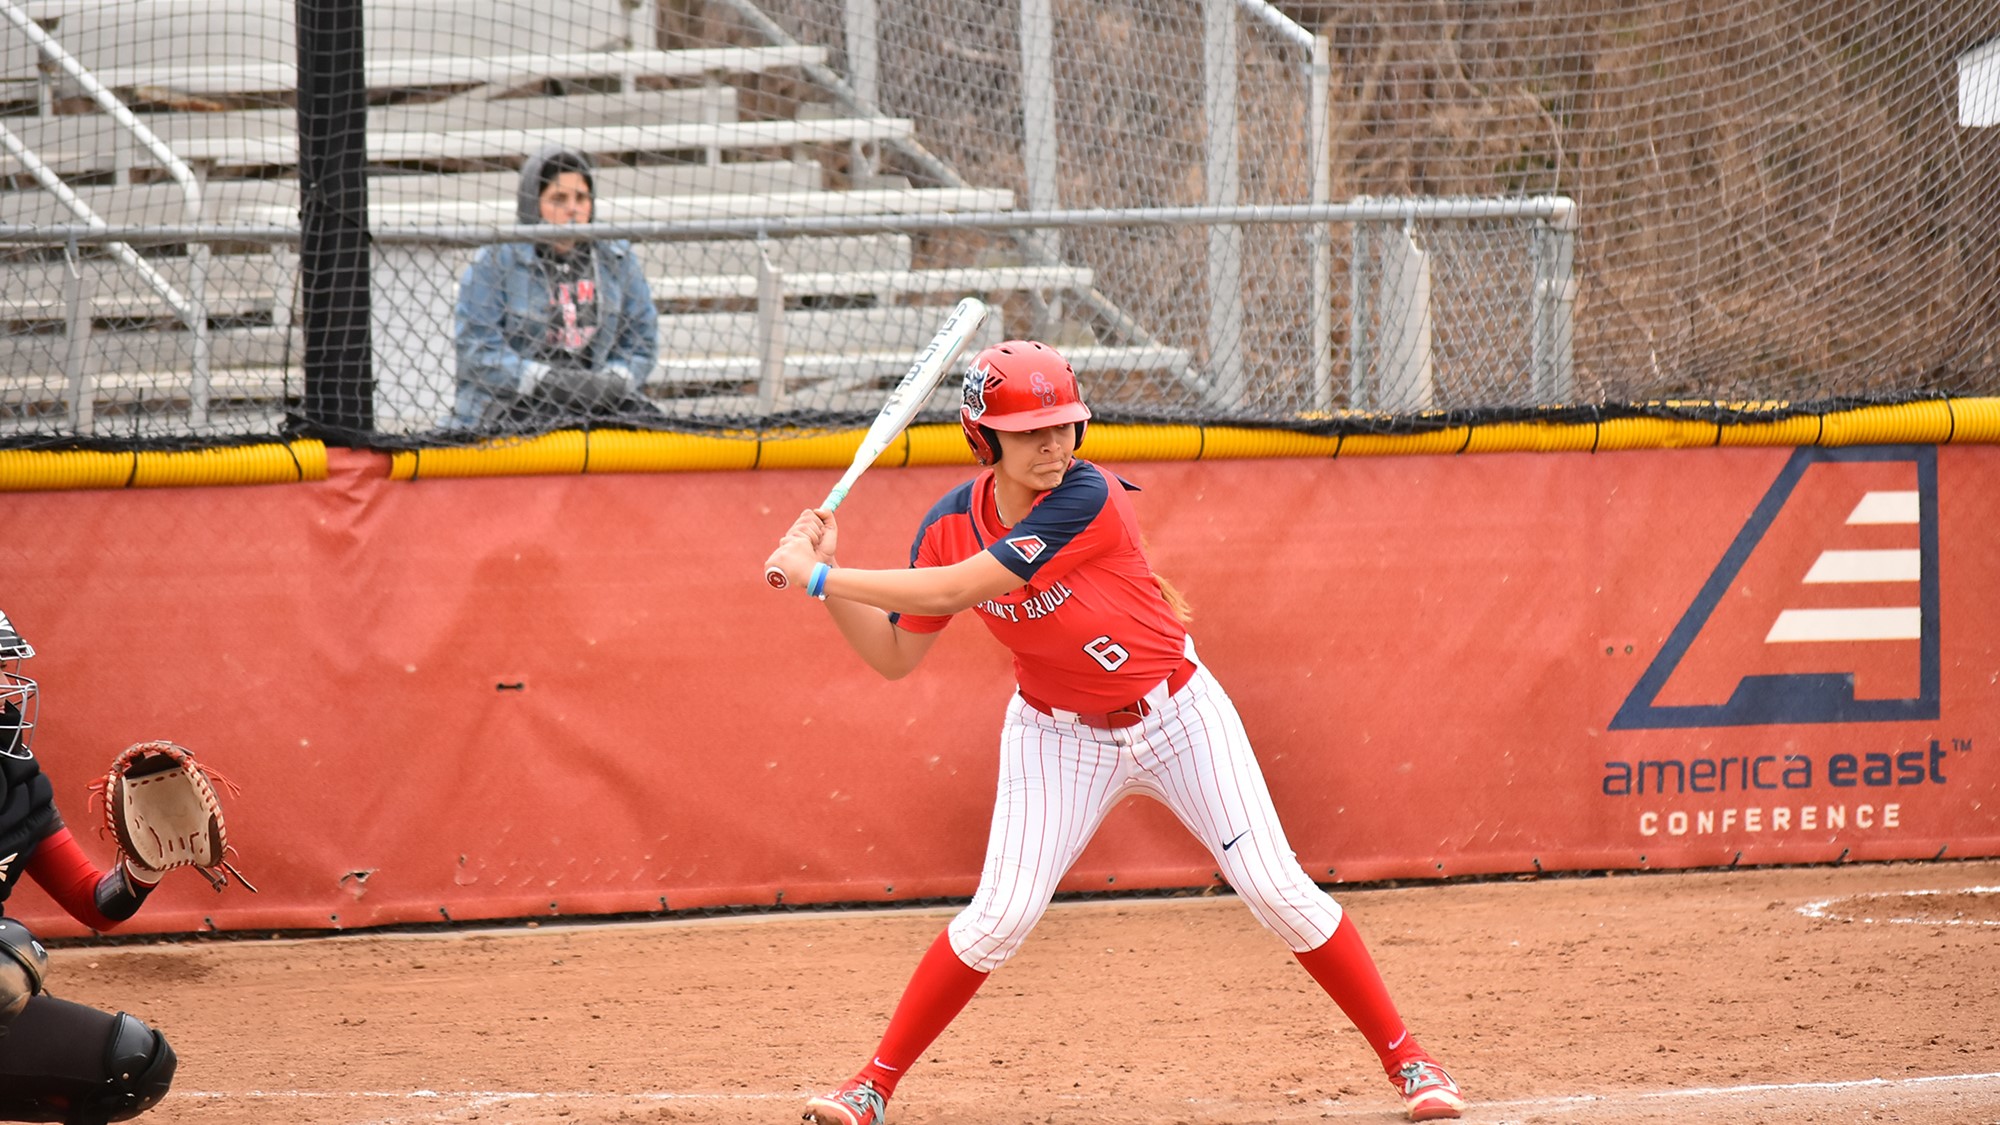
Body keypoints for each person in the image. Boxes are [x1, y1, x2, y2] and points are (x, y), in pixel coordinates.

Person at [762, 341, 1468, 1124]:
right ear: (983, 438)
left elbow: (967, 586)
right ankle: (871, 1086)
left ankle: (1413, 1061)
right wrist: (824, 587)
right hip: (1055, 734)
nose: (1055, 445)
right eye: (1030, 431)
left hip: (1176, 714)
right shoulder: (947, 526)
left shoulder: (1087, 497)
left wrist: (822, 573)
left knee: (1275, 886)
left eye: (1065, 424)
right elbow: (894, 654)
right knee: (998, 916)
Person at [0, 611, 177, 1124]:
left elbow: (92, 901)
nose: (10, 686)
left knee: (131, 1065)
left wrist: (142, 868)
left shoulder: (15, 785)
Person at [450, 143, 662, 429]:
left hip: (596, 401)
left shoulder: (617, 257)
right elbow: (477, 350)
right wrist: (544, 381)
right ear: (532, 203)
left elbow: (642, 341)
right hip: (512, 403)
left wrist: (612, 382)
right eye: (558, 199)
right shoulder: (495, 261)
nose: (573, 210)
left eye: (581, 198)